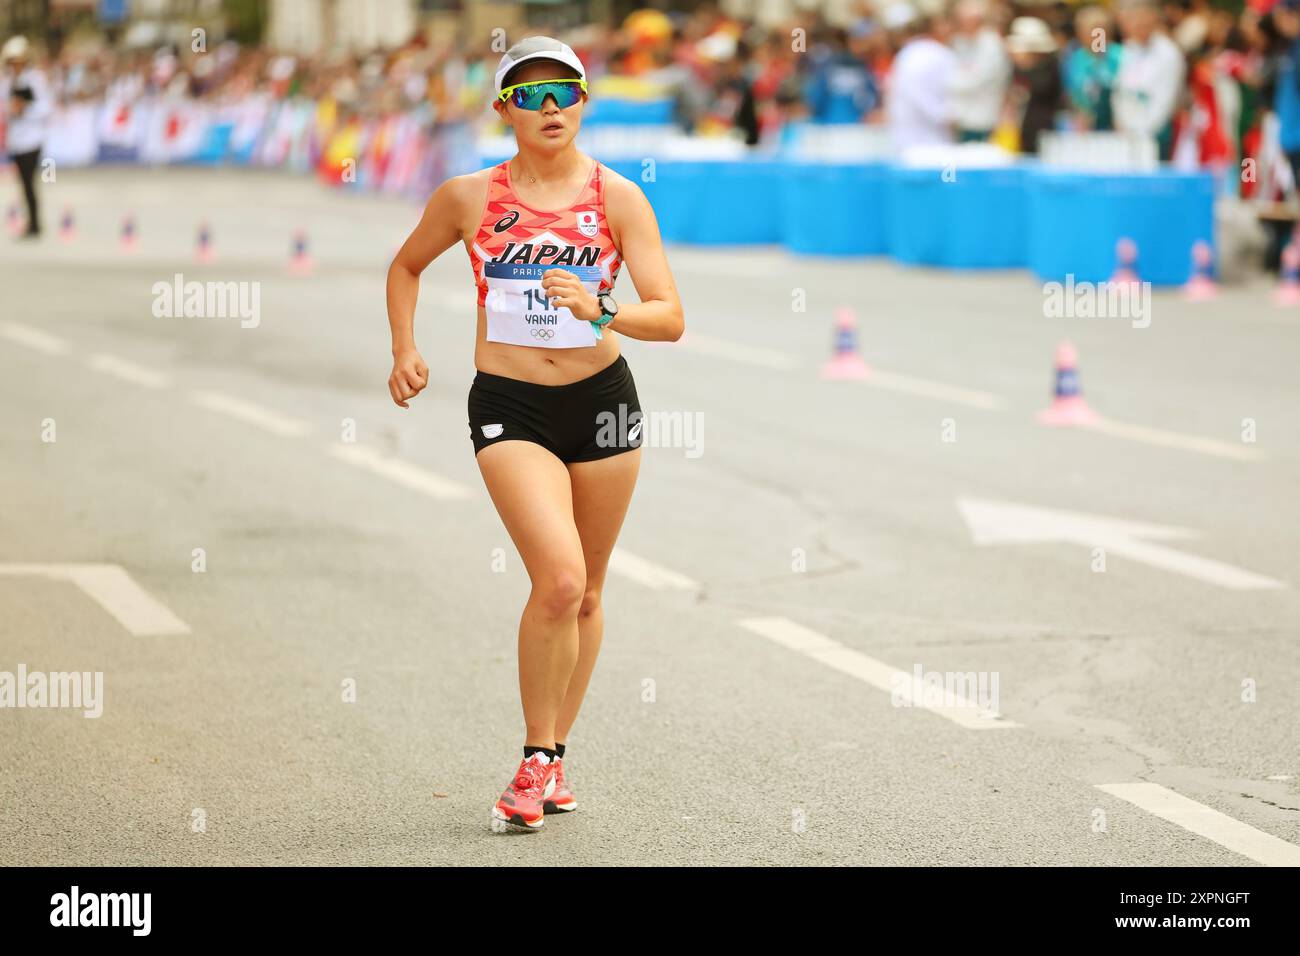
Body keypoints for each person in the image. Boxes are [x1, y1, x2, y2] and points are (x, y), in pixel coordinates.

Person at [384, 36, 685, 832]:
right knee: (556, 576)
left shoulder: (619, 198)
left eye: (565, 93)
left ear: (585, 103)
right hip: (509, 404)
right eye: (531, 94)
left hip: (605, 401)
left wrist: (602, 309)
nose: (549, 109)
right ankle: (536, 757)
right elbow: (405, 266)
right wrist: (405, 349)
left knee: (587, 590)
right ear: (504, 108)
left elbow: (671, 316)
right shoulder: (468, 197)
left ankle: (553, 755)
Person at [1113, 0, 1187, 160]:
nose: (1136, 25)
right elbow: (1120, 90)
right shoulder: (1128, 49)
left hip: (1156, 135)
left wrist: (1143, 132)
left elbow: (1165, 101)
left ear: (1153, 19)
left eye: (1141, 20)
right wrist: (1122, 123)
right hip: (1127, 134)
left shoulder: (1168, 53)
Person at [1, 35, 53, 239]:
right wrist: (12, 109)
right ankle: (30, 221)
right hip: (17, 140)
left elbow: (46, 108)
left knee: (31, 182)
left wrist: (26, 109)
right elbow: (5, 107)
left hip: (33, 138)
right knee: (23, 183)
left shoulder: (36, 79)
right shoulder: (6, 82)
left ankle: (35, 223)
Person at [885, 5, 957, 149]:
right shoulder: (919, 54)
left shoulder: (923, 54)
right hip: (921, 139)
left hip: (926, 140)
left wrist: (945, 115)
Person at [948, 0, 1011, 142]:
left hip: (983, 119)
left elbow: (976, 80)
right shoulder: (959, 42)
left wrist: (953, 82)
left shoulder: (992, 45)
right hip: (960, 119)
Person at [1007, 17, 1064, 154]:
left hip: (1045, 129)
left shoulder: (1051, 66)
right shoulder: (1018, 69)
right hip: (1022, 129)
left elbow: (1043, 89)